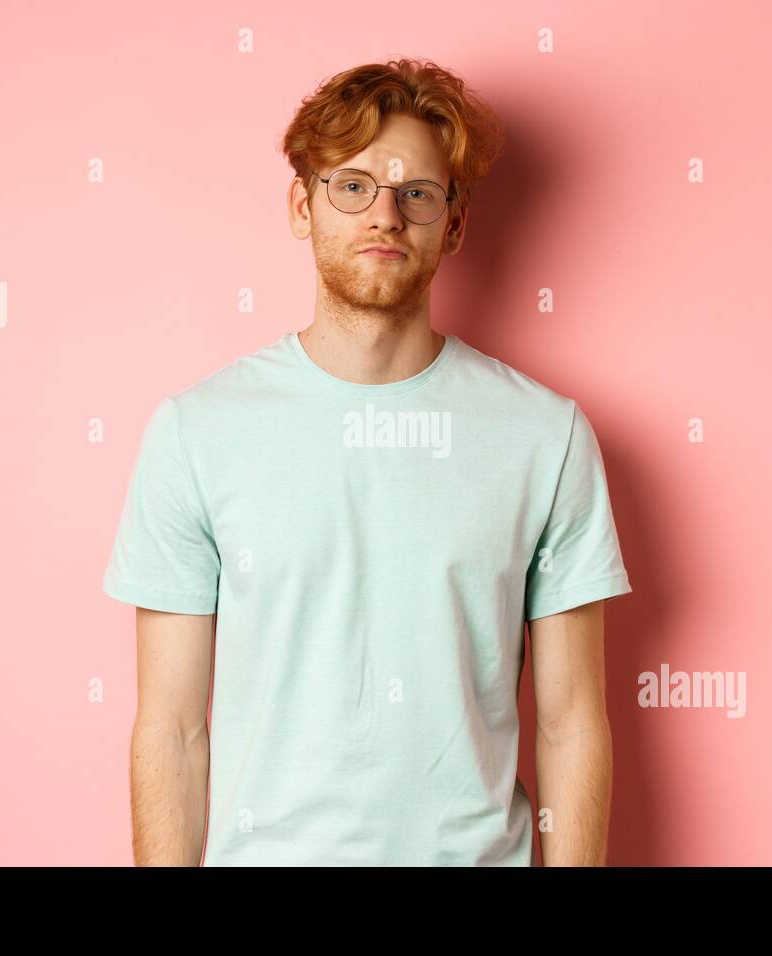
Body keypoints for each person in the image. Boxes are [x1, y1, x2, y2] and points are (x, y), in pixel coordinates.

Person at [103, 57, 632, 866]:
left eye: (415, 192)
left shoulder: (545, 436)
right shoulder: (196, 432)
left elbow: (572, 724)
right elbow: (171, 729)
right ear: (302, 206)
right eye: (352, 186)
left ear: (451, 225)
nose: (384, 215)